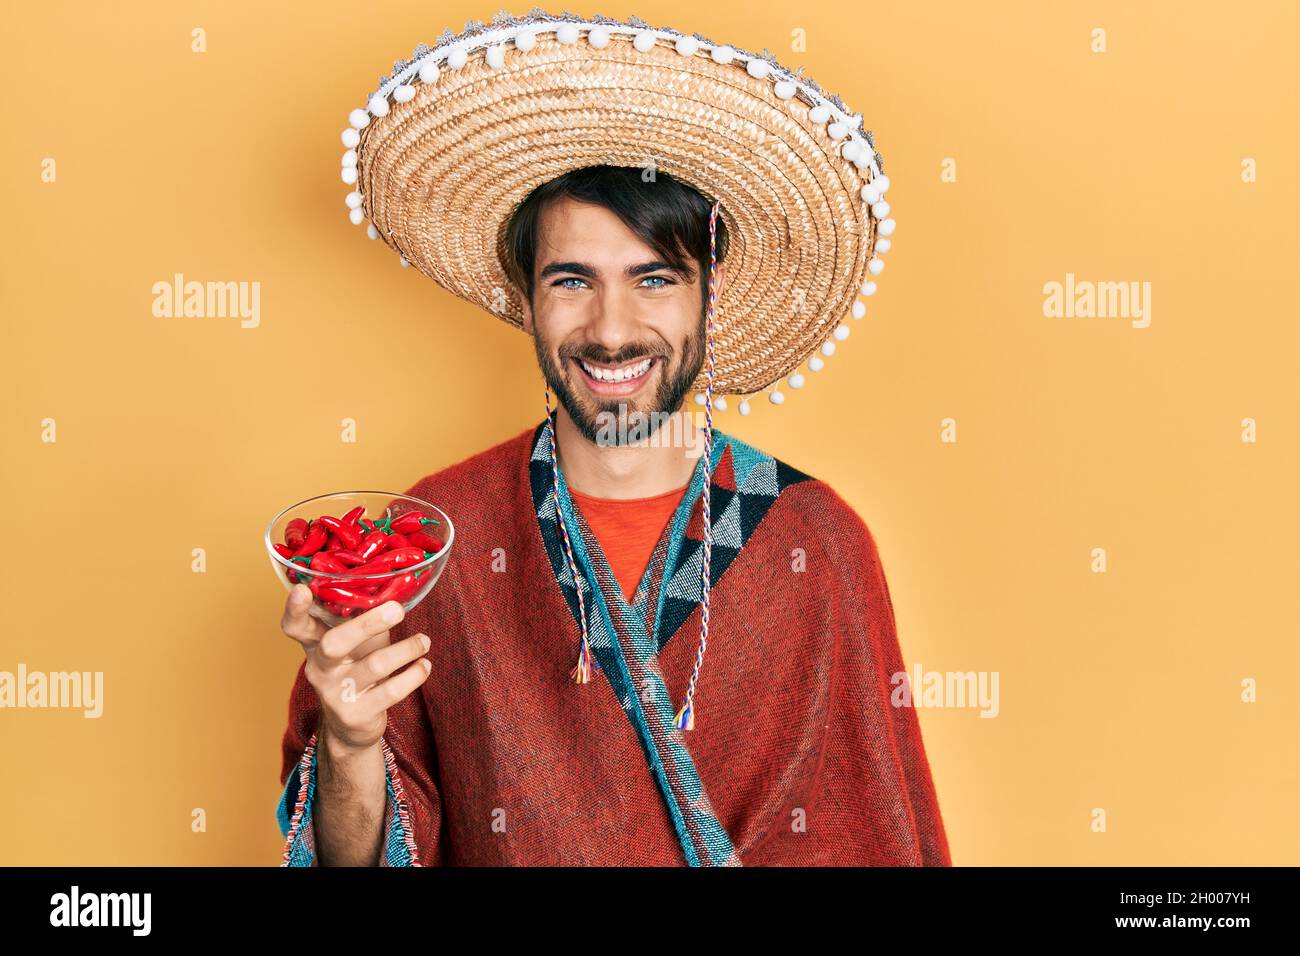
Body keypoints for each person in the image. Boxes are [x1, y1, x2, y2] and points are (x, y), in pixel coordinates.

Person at [277, 10, 948, 866]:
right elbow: (353, 861)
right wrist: (346, 741)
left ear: (711, 293)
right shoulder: (439, 535)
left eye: (654, 279)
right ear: (525, 296)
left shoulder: (815, 543)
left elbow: (874, 835)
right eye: (572, 280)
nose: (612, 329)